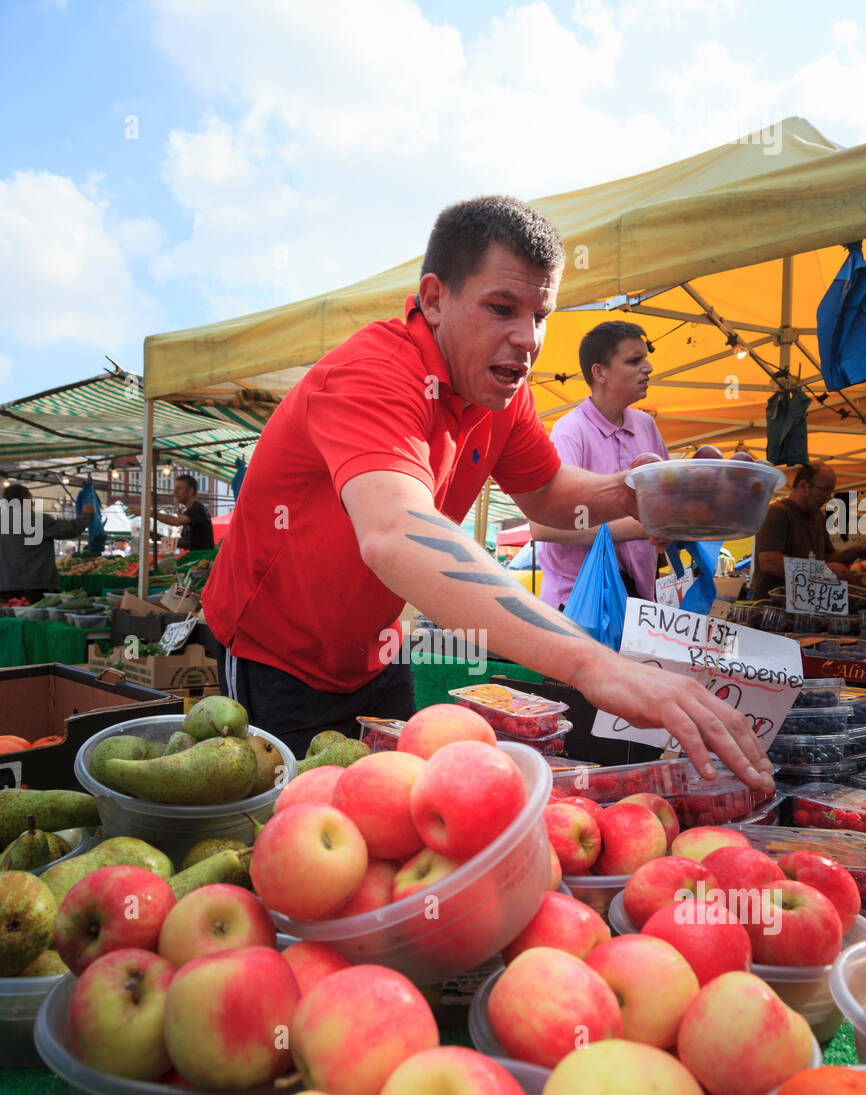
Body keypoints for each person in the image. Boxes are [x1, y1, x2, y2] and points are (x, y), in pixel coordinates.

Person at [202, 195, 773, 794]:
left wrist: (641, 493)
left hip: (376, 654)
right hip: (278, 659)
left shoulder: (501, 392)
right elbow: (396, 533)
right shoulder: (371, 374)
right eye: (502, 308)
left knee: (392, 818)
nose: (527, 338)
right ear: (433, 299)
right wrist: (594, 664)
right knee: (299, 828)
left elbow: (548, 493)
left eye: (541, 314)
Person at [531, 320, 667, 608]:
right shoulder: (571, 430)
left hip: (637, 599)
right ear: (600, 372)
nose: (648, 367)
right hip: (580, 602)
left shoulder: (646, 426)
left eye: (646, 356)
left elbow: (667, 504)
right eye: (634, 360)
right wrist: (643, 527)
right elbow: (543, 527)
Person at [752, 464, 866, 601]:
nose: (828, 497)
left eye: (830, 491)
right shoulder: (778, 512)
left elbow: (827, 558)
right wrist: (825, 570)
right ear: (804, 485)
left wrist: (856, 549)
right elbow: (769, 562)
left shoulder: (818, 516)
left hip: (808, 606)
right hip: (774, 608)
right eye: (824, 490)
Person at [0, 484, 93, 603]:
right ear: (25, 499)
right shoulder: (32, 519)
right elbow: (69, 529)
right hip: (33, 585)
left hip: (4, 586)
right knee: (32, 619)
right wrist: (86, 514)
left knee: (7, 619)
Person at [127, 474, 214, 551]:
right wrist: (161, 538)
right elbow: (186, 541)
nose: (175, 492)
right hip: (197, 556)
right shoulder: (190, 511)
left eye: (179, 488)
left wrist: (148, 512)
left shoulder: (197, 509)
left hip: (202, 556)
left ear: (190, 491)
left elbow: (176, 521)